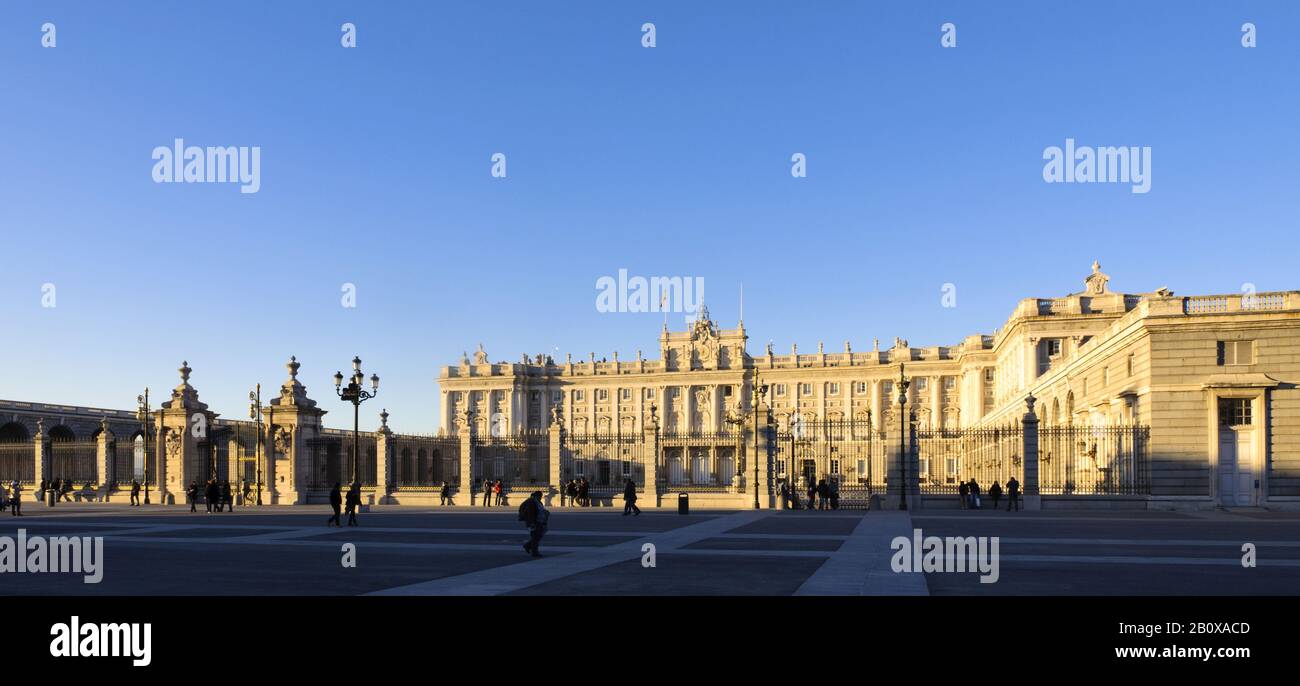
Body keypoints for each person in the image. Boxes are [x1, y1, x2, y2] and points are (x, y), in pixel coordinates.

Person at [519, 490, 549, 557]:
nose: (541, 497)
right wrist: (532, 523)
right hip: (533, 521)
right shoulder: (531, 502)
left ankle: (528, 546)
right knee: (535, 537)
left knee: (537, 536)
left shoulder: (537, 501)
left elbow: (540, 510)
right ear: (537, 496)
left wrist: (546, 513)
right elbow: (530, 513)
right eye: (540, 496)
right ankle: (534, 552)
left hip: (538, 521)